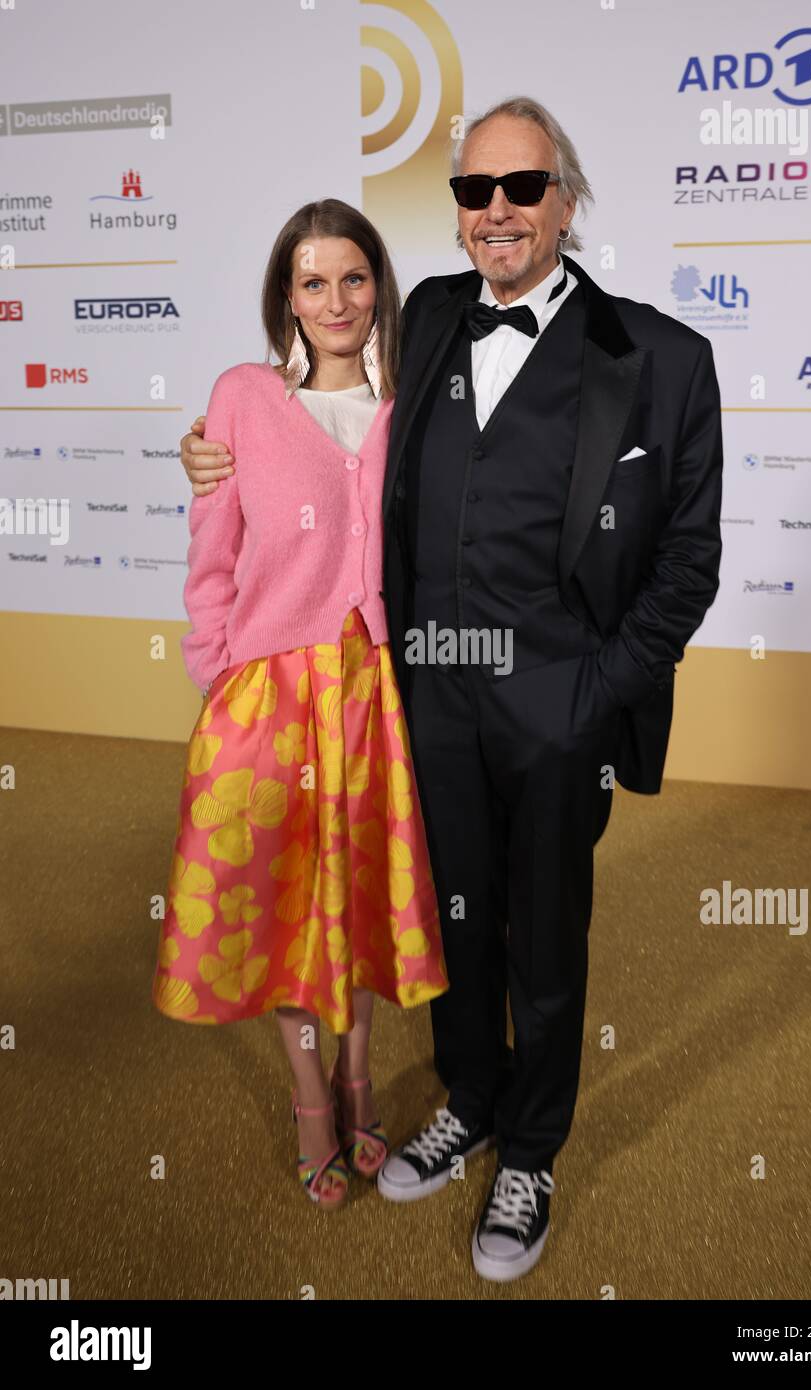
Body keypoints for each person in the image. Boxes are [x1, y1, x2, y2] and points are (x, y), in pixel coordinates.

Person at [180, 96, 723, 1281]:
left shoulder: (663, 360)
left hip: (556, 702)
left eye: (518, 188)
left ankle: (530, 1146)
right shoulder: (423, 318)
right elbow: (312, 420)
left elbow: (688, 558)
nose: (493, 213)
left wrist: (597, 689)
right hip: (422, 696)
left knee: (544, 937)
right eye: (471, 192)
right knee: (454, 922)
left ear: (564, 202)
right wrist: (205, 447)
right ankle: (469, 1096)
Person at [154, 198, 448, 1211]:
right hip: (267, 701)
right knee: (286, 915)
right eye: (313, 281)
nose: (336, 299)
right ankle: (309, 1105)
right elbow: (212, 559)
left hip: (374, 698)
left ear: (379, 289)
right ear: (286, 294)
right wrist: (218, 677)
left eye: (354, 278)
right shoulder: (240, 397)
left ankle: (361, 1083)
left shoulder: (410, 403)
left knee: (358, 911)